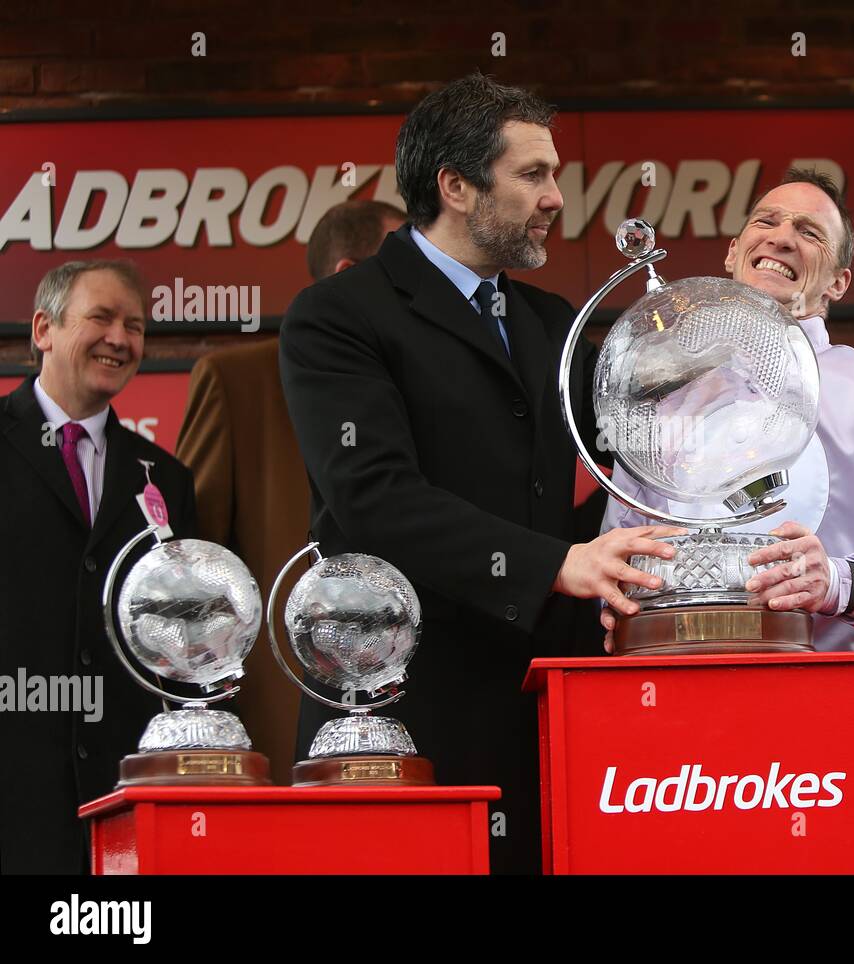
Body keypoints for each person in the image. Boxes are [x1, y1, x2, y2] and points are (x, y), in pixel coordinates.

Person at [278, 73, 679, 875]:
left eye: (554, 174)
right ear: (455, 186)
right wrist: (557, 563)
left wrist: (823, 365)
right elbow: (373, 501)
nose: (556, 198)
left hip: (546, 712)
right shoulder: (339, 315)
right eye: (532, 174)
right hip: (404, 708)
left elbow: (658, 434)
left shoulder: (547, 320)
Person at [600, 170, 854, 653]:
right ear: (732, 250)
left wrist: (838, 583)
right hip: (676, 692)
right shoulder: (664, 396)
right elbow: (619, 558)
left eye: (809, 232)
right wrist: (621, 603)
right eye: (767, 221)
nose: (781, 238)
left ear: (838, 282)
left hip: (827, 702)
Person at [175, 199, 405, 785]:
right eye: (406, 266)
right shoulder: (237, 382)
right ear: (350, 277)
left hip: (413, 705)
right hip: (282, 709)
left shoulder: (425, 384)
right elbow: (194, 571)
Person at [0, 261, 198, 874]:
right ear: (43, 330)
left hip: (124, 792)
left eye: (134, 326)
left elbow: (187, 639)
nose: (120, 338)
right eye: (101, 318)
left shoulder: (166, 477)